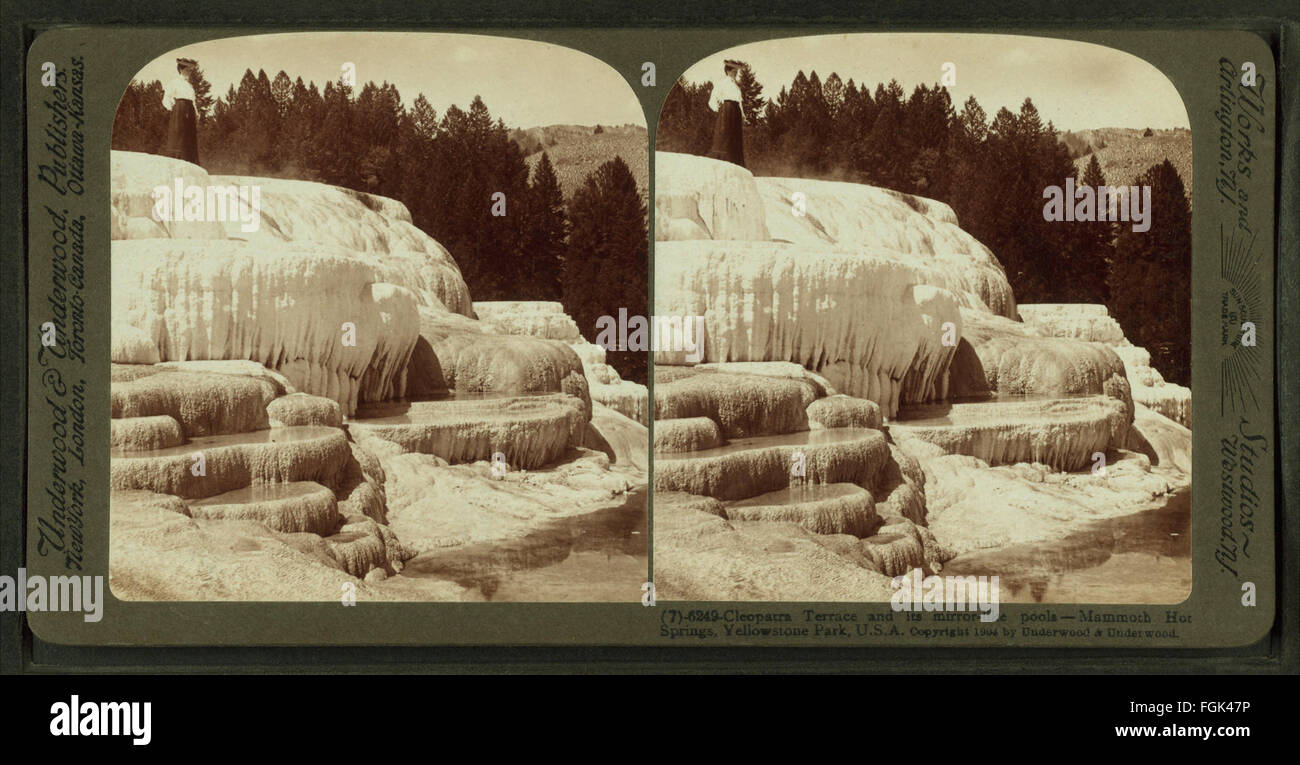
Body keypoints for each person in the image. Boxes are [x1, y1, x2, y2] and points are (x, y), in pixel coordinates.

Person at [707, 59, 745, 168]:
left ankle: (736, 165)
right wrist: (719, 109)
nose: (736, 73)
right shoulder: (722, 83)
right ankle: (722, 164)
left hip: (736, 111)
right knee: (725, 137)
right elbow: (712, 100)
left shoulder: (737, 86)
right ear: (728, 71)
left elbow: (739, 101)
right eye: (734, 71)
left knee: (735, 138)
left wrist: (742, 114)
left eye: (737, 71)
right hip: (727, 111)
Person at [162, 58, 200, 165]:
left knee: (189, 142)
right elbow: (166, 98)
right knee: (178, 141)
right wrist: (174, 110)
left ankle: (188, 177)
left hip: (190, 112)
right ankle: (178, 181)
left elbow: (193, 101)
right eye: (187, 70)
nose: (189, 72)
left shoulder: (190, 86)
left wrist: (196, 114)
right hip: (179, 112)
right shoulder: (173, 82)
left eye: (191, 70)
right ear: (181, 69)